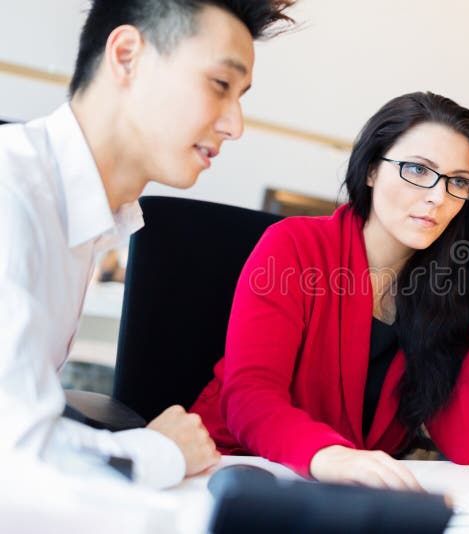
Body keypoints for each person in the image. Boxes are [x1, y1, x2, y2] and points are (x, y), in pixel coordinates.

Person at [0, 0, 295, 489]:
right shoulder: (12, 195)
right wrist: (160, 451)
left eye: (239, 95)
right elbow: (17, 458)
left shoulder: (82, 218)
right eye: (220, 85)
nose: (235, 125)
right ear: (127, 56)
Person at [191, 91, 469, 490]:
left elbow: (465, 442)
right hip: (235, 475)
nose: (437, 197)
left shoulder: (446, 292)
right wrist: (331, 456)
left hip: (338, 498)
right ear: (372, 169)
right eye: (418, 170)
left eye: (458, 182)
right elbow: (250, 397)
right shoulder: (293, 245)